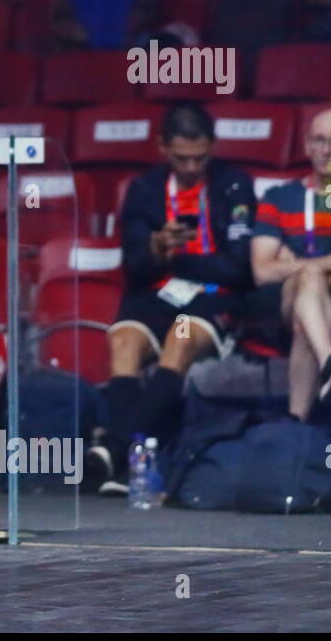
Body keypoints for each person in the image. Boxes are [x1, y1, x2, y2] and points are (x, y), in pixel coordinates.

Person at [86, 104, 255, 495]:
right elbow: (134, 267)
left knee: (178, 340)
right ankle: (130, 458)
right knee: (124, 340)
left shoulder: (234, 185)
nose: (192, 167)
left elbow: (239, 269)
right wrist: (157, 249)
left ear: (212, 147)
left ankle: (116, 448)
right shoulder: (144, 190)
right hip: (154, 294)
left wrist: (178, 258)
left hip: (212, 299)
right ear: (162, 147)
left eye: (200, 157)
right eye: (182, 159)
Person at [247, 109, 331, 420]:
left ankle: (297, 422)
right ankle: (330, 364)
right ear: (307, 146)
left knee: (306, 311)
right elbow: (262, 272)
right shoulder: (278, 198)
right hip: (277, 305)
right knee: (308, 281)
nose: (327, 150)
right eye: (319, 140)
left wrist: (301, 266)